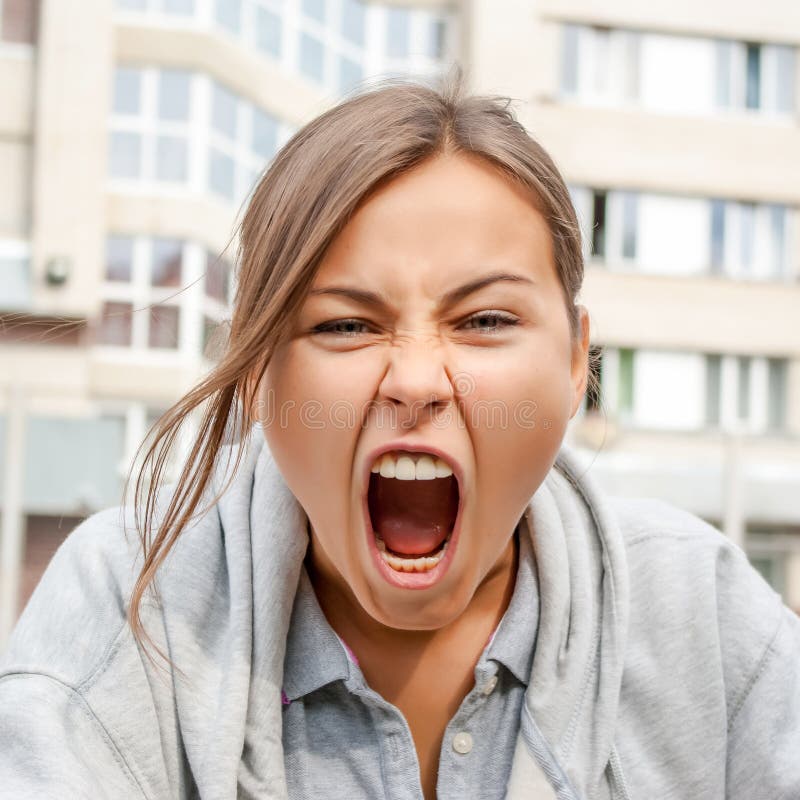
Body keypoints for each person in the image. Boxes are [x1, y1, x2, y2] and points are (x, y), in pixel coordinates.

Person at [1, 65, 799, 800]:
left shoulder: (704, 616)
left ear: (574, 358)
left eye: (485, 319)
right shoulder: (129, 609)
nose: (415, 382)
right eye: (346, 324)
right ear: (253, 371)